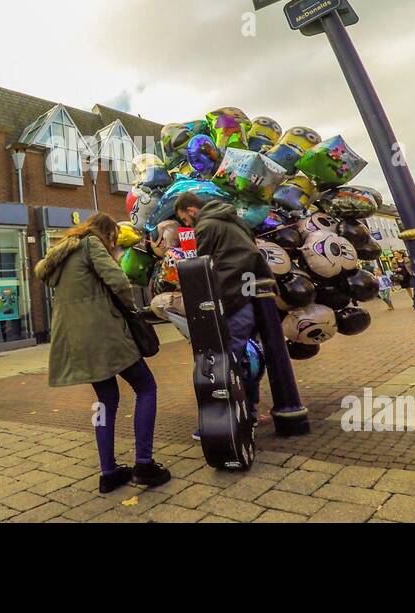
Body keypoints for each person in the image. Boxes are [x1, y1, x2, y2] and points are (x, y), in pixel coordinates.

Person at [35, 213, 168, 494]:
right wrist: (131, 308)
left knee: (105, 400)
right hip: (105, 333)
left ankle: (108, 472)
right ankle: (144, 464)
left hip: (78, 340)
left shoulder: (60, 257)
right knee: (146, 387)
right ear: (107, 233)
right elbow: (118, 281)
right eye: (114, 239)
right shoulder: (91, 244)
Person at [175, 193, 274, 429]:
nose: (187, 225)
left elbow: (205, 267)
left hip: (230, 297)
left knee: (225, 362)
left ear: (191, 210)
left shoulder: (207, 226)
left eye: (185, 220)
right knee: (247, 359)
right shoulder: (234, 220)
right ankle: (249, 412)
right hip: (251, 295)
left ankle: (222, 422)